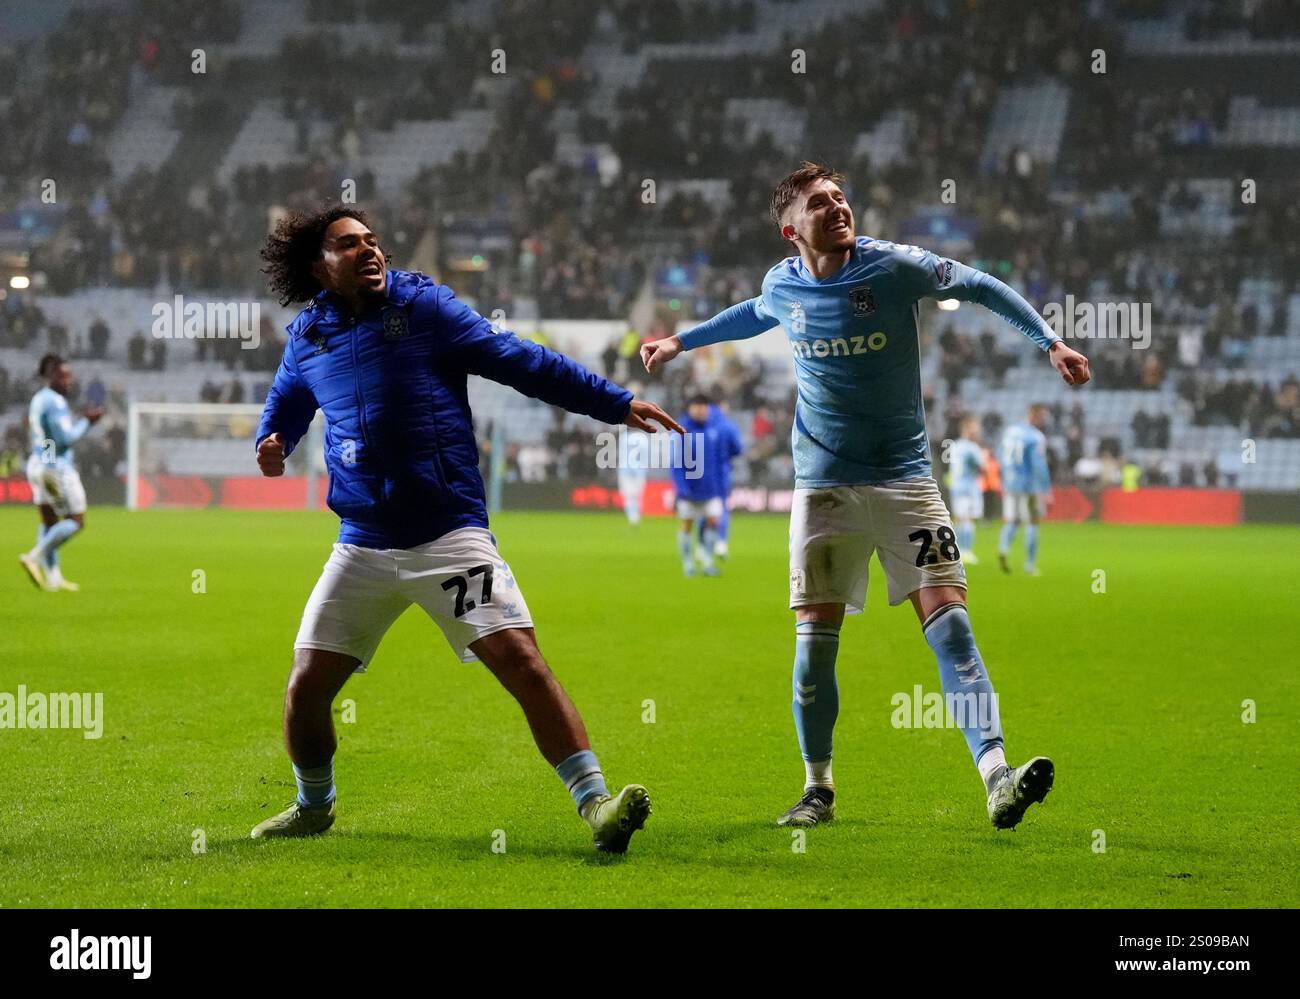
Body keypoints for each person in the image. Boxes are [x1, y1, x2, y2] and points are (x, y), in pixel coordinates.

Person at [641, 162, 1090, 830]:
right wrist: (682, 339)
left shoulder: (893, 267)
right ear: (791, 227)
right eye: (820, 203)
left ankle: (998, 776)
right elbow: (752, 315)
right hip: (823, 492)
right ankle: (817, 788)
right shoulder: (783, 285)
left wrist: (1049, 341)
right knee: (814, 650)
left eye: (841, 197)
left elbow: (980, 285)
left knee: (955, 630)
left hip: (908, 482)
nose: (838, 207)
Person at [251, 206, 682, 852]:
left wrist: (614, 402)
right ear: (319, 266)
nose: (370, 250)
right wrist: (273, 438)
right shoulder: (309, 334)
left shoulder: (426, 309)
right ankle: (314, 805)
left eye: (373, 240)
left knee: (523, 664)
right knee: (305, 689)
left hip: (447, 534)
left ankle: (597, 805)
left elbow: (520, 361)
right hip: (362, 543)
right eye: (349, 244)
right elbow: (287, 399)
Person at [19, 354, 103, 592]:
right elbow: (65, 440)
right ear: (51, 375)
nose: (69, 381)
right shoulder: (55, 402)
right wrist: (88, 422)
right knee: (76, 522)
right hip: (55, 467)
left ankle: (54, 578)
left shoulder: (38, 399)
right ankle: (33, 557)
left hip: (38, 462)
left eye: (70, 377)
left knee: (49, 522)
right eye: (64, 376)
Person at [671, 393, 741, 577]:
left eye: (704, 406)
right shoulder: (681, 430)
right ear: (690, 408)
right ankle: (688, 563)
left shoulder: (716, 429)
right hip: (689, 490)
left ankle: (708, 561)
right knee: (687, 524)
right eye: (697, 406)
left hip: (711, 489)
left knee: (713, 523)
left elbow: (723, 458)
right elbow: (676, 462)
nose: (701, 410)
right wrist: (681, 487)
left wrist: (722, 485)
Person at [998, 404, 1052, 576]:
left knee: (1012, 521)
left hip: (1010, 483)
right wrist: (1046, 489)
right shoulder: (1036, 437)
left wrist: (1005, 478)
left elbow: (1000, 455)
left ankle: (1004, 549)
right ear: (1034, 416)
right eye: (1042, 417)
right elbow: (1039, 465)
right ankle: (1030, 565)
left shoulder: (1010, 431)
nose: (1044, 421)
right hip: (1027, 486)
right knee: (1032, 523)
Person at [948, 416, 988, 565]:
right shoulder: (972, 447)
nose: (977, 431)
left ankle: (955, 551)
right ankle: (966, 551)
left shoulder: (955, 445)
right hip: (969, 488)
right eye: (975, 428)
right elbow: (982, 468)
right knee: (968, 520)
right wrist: (984, 456)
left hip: (956, 487)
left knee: (959, 519)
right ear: (968, 429)